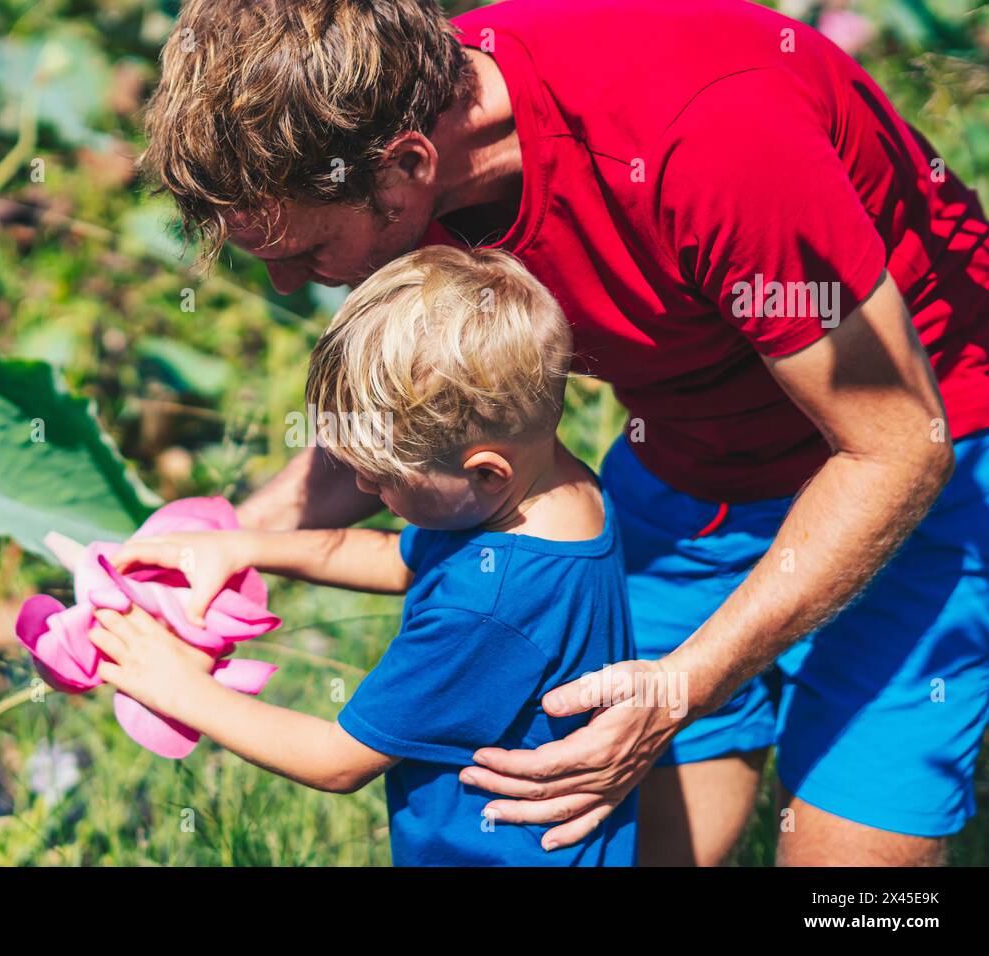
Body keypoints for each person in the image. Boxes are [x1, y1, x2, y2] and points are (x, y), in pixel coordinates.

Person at [140, 0, 989, 865]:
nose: (286, 287)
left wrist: (680, 687)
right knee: (616, 826)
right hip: (687, 470)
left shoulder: (713, 134)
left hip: (914, 469)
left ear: (407, 166)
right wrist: (205, 564)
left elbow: (895, 444)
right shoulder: (370, 112)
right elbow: (403, 423)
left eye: (306, 253)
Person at [88, 247, 637, 865]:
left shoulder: (486, 606)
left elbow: (337, 760)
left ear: (486, 472)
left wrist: (180, 688)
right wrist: (243, 545)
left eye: (383, 478)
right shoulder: (560, 494)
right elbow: (398, 560)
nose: (363, 492)